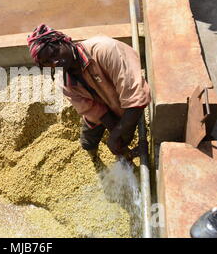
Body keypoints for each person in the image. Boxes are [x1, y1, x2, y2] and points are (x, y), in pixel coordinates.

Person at [27, 24, 151, 159]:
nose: (55, 62)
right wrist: (114, 133)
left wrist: (120, 133)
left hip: (126, 103)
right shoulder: (63, 81)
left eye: (54, 53)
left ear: (63, 41)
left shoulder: (106, 50)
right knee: (87, 142)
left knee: (124, 134)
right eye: (47, 62)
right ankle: (94, 157)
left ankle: (125, 152)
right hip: (102, 109)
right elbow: (94, 110)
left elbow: (135, 98)